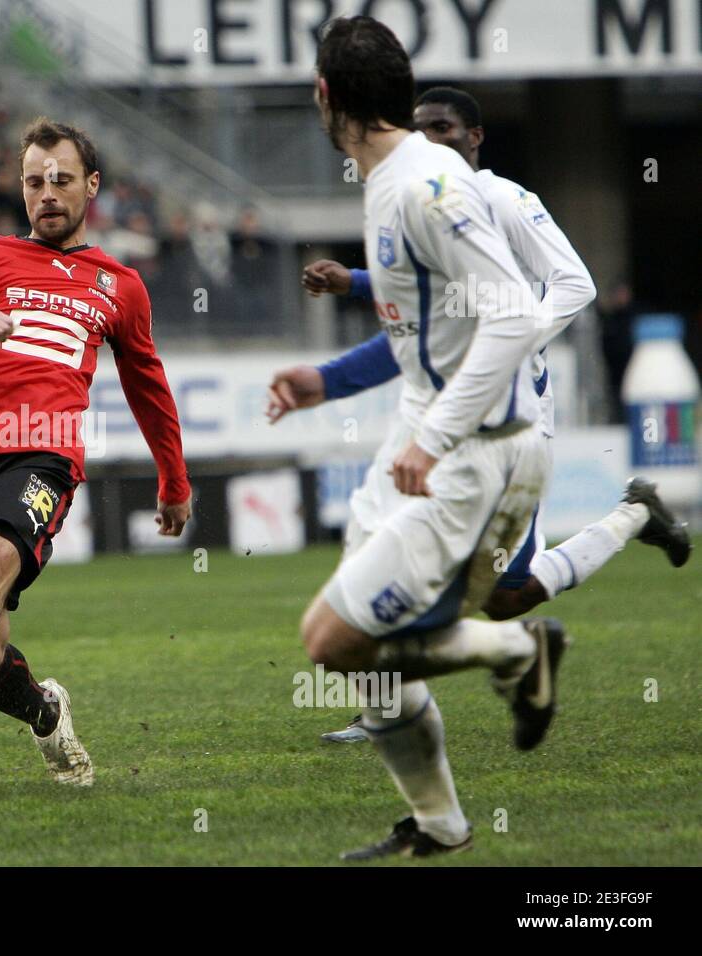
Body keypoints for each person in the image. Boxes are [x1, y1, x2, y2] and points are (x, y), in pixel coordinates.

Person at [281, 86, 691, 744]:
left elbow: (574, 285)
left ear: (475, 138)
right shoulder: (420, 199)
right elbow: (436, 300)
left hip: (508, 415)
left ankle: (632, 516)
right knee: (380, 545)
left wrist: (509, 340)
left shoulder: (502, 198)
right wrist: (355, 284)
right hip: (437, 416)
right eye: (421, 128)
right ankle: (383, 708)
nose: (431, 138)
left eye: (444, 127)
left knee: (508, 596)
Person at [273, 17, 569, 860]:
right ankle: (439, 824)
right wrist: (322, 382)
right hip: (429, 442)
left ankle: (519, 648)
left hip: (472, 453)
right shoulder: (390, 181)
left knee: (331, 641)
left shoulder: (424, 187)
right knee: (369, 658)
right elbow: (427, 338)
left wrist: (434, 437)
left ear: (325, 97)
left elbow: (515, 315)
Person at [0, 117, 192, 800]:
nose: (46, 193)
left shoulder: (120, 286)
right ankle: (45, 712)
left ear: (91, 185)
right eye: (33, 181)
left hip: (41, 453)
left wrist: (174, 481)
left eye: (60, 179)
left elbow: (149, 385)